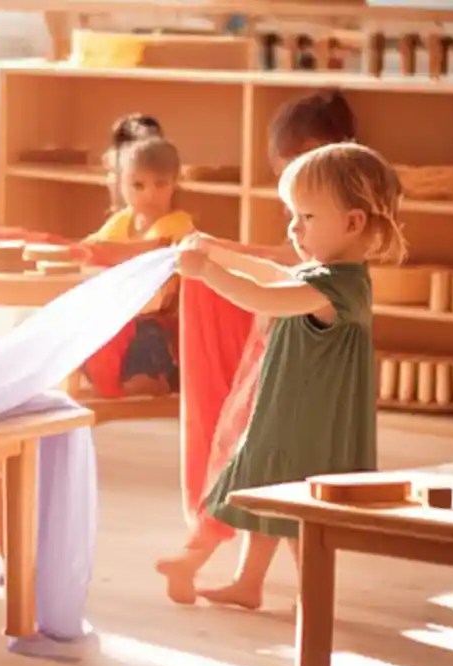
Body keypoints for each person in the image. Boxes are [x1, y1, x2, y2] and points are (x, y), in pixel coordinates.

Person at [161, 141, 406, 609]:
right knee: (266, 498)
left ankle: (314, 595)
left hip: (309, 427)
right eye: (292, 215)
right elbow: (271, 275)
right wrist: (218, 252)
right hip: (286, 414)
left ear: (353, 223)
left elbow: (265, 297)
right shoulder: (322, 274)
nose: (293, 228)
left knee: (298, 512)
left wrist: (209, 271)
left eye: (306, 217)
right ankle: (248, 583)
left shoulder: (339, 288)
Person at [173, 89, 358, 559]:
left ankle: (288, 587)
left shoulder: (343, 216)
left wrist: (219, 260)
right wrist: (222, 253)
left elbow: (289, 270)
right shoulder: (313, 205)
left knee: (280, 468)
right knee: (263, 464)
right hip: (291, 350)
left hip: (308, 365)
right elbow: (285, 261)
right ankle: (246, 576)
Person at [78, 137, 193, 397]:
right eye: (138, 185)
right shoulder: (123, 220)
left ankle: (157, 378)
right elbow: (92, 246)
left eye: (160, 184)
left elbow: (157, 249)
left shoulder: (177, 223)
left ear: (175, 183)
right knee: (83, 329)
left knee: (147, 341)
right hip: (121, 310)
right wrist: (92, 250)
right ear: (121, 184)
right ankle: (106, 378)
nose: (149, 194)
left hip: (159, 319)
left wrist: (103, 251)